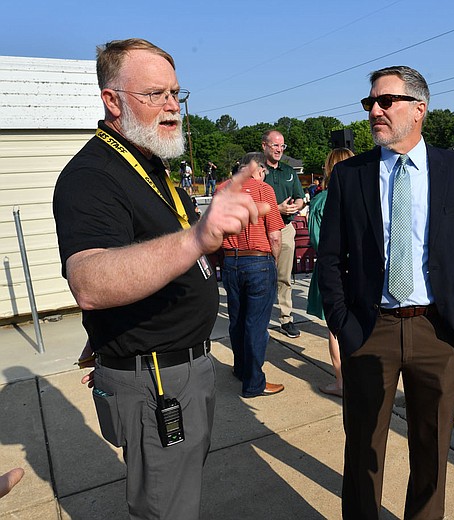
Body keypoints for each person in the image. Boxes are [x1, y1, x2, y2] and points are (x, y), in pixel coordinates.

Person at [52, 38, 267, 519]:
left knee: (178, 494)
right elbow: (88, 279)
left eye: (175, 93)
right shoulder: (92, 175)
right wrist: (197, 239)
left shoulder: (152, 164)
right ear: (112, 101)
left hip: (179, 368)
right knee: (167, 509)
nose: (172, 106)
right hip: (156, 380)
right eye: (155, 94)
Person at [316, 65, 454, 519]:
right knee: (363, 452)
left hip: (438, 331)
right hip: (369, 330)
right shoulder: (350, 176)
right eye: (369, 102)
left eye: (385, 101)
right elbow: (331, 260)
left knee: (432, 453)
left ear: (419, 109)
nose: (374, 110)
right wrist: (345, 326)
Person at [220, 152, 285, 398]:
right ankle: (254, 382)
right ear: (257, 169)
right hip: (258, 259)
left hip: (230, 260)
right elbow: (275, 235)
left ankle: (241, 369)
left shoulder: (221, 190)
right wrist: (273, 261)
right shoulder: (263, 189)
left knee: (237, 319)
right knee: (256, 325)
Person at [306, 147, 354, 398]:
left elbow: (317, 241)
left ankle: (341, 381)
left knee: (335, 328)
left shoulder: (321, 201)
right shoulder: (364, 198)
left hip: (334, 271)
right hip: (360, 271)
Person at [261, 130, 305, 339]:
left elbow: (300, 198)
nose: (279, 150)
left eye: (282, 146)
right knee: (261, 276)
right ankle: (259, 318)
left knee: (284, 277)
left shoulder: (289, 171)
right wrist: (275, 208)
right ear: (264, 146)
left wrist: (294, 207)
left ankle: (286, 318)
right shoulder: (257, 171)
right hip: (261, 229)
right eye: (275, 145)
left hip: (285, 228)